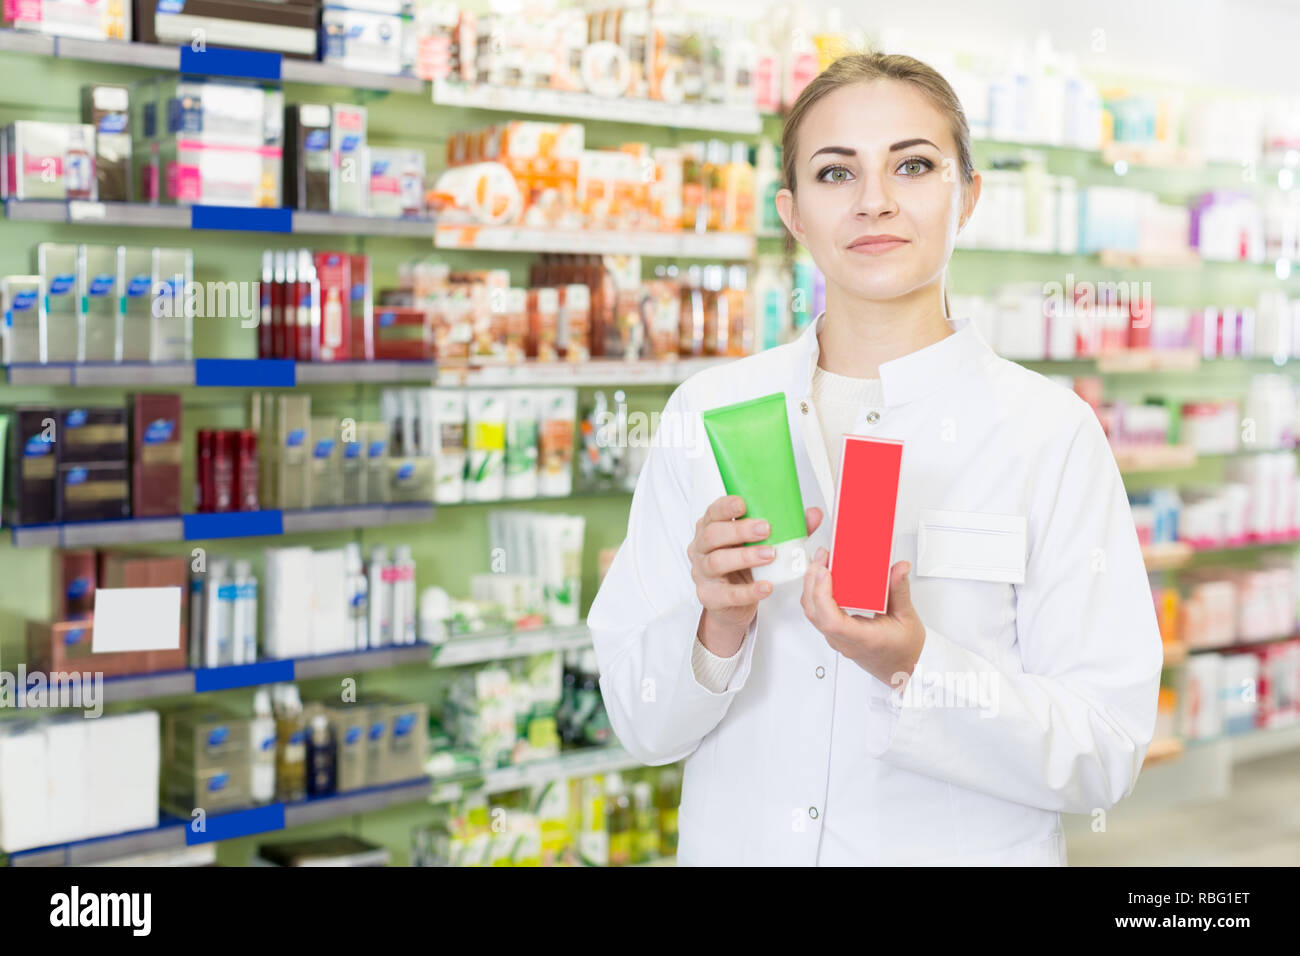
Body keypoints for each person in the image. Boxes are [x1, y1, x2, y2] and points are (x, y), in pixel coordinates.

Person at [586, 51, 1163, 866]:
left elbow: (1104, 749)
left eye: (914, 165)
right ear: (791, 212)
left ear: (967, 194)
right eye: (834, 173)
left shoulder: (1049, 432)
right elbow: (640, 724)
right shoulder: (710, 413)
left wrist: (917, 666)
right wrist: (715, 624)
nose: (875, 202)